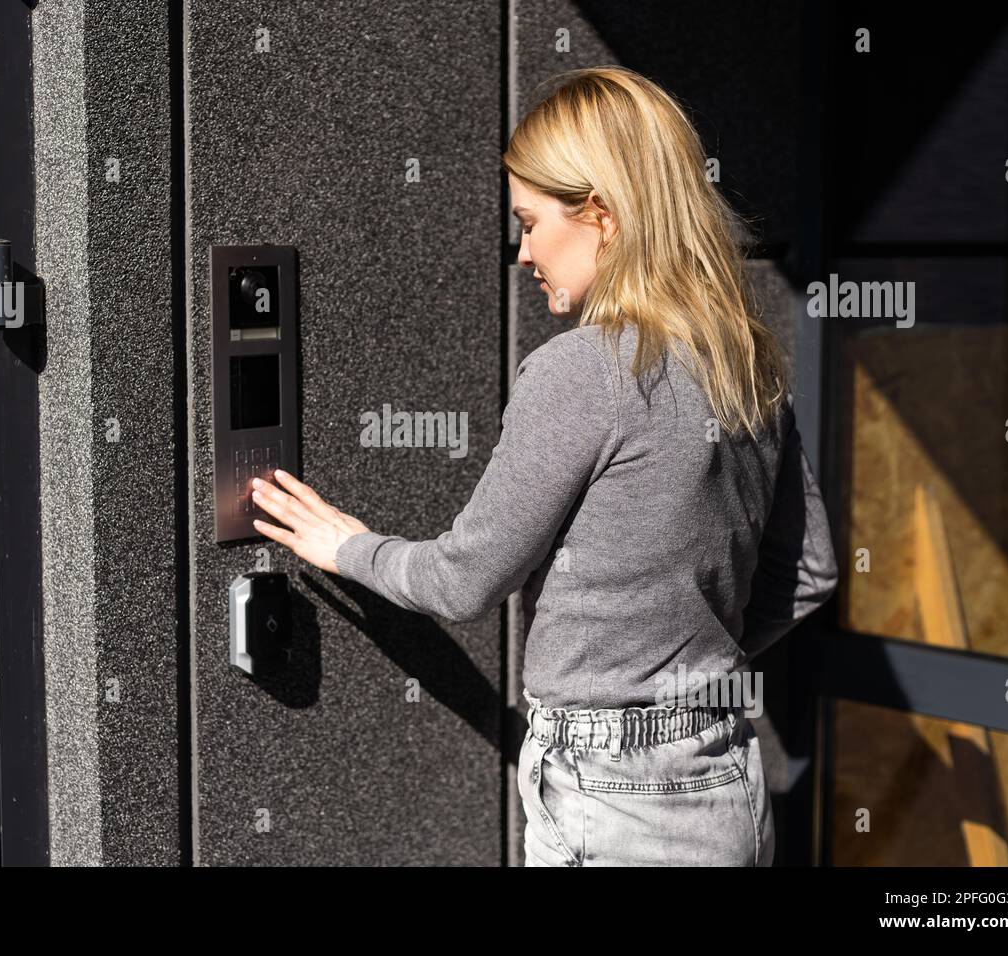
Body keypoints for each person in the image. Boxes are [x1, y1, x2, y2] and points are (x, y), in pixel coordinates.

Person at [247, 66, 838, 866]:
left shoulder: (584, 371)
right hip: (725, 777)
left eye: (530, 222)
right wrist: (692, 671)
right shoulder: (744, 356)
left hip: (612, 795)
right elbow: (807, 572)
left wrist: (347, 547)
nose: (522, 252)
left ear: (600, 215)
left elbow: (464, 582)